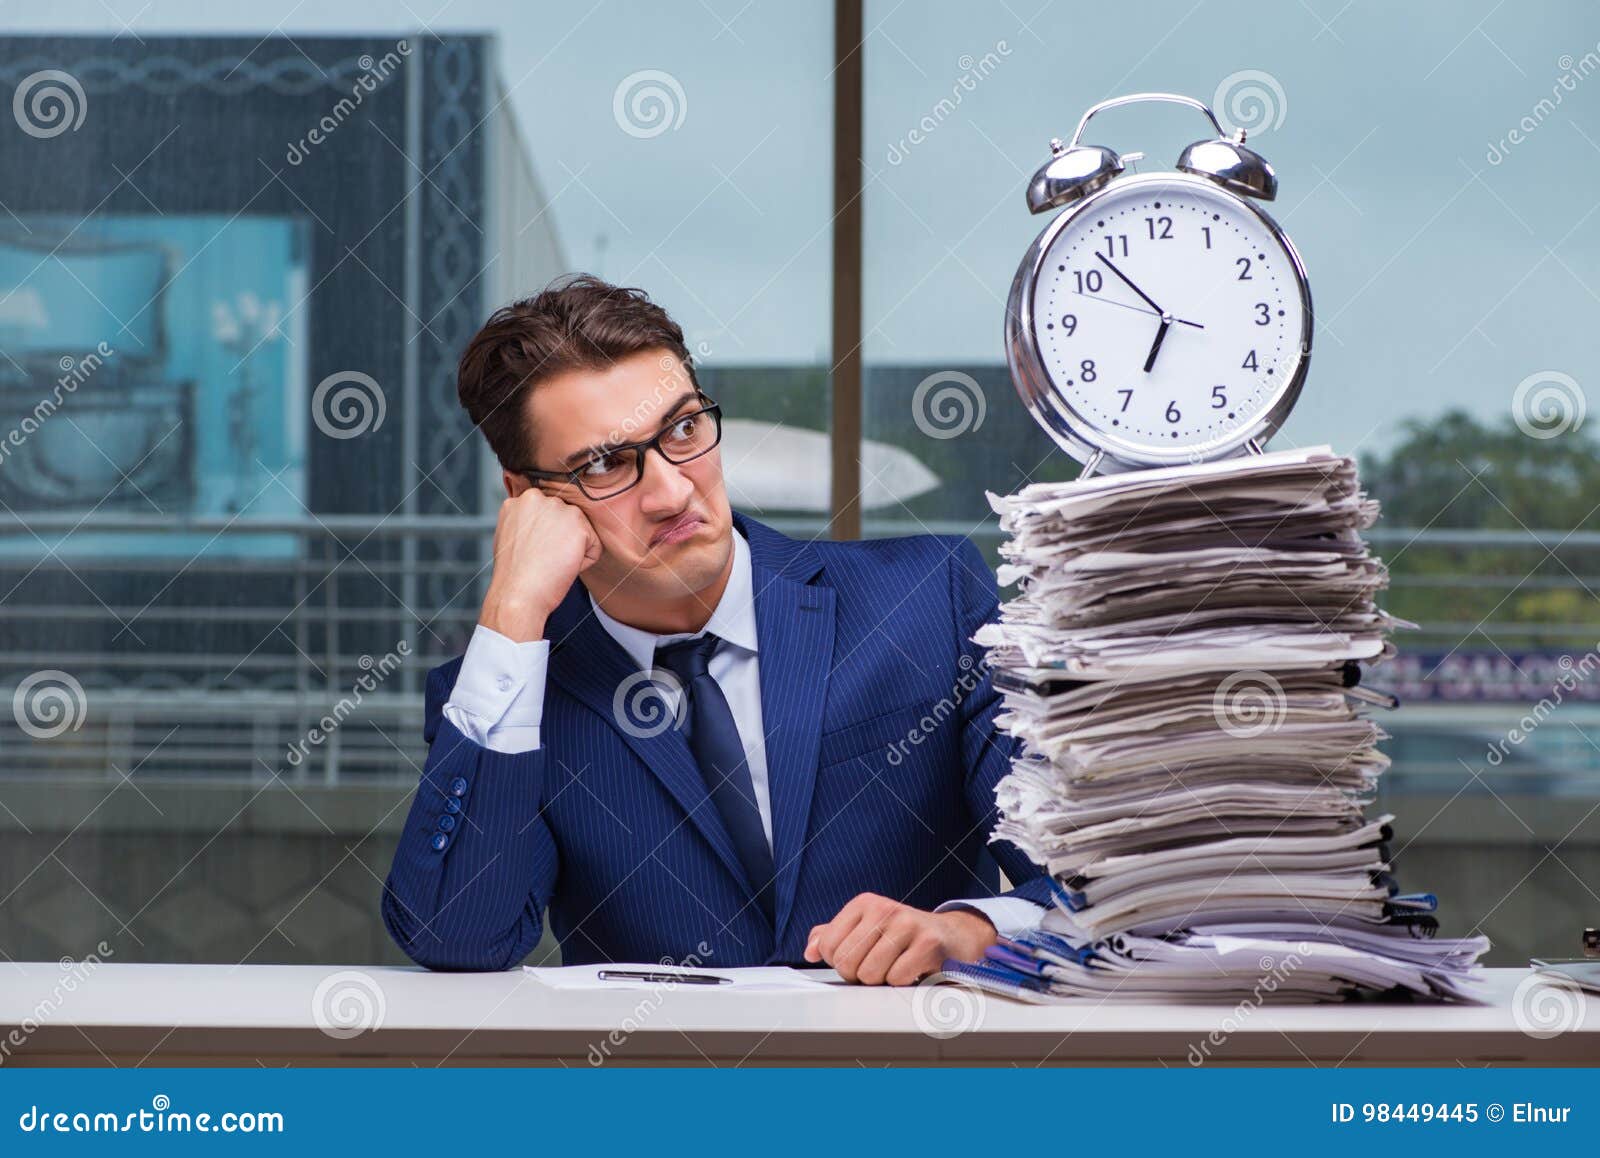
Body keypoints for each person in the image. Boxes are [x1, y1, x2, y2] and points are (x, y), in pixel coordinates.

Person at [382, 275, 1046, 984]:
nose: (671, 492)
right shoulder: (514, 692)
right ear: (528, 497)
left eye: (683, 429)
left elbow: (1101, 886)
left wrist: (969, 930)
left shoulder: (925, 600)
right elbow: (457, 935)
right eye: (606, 464)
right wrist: (513, 611)